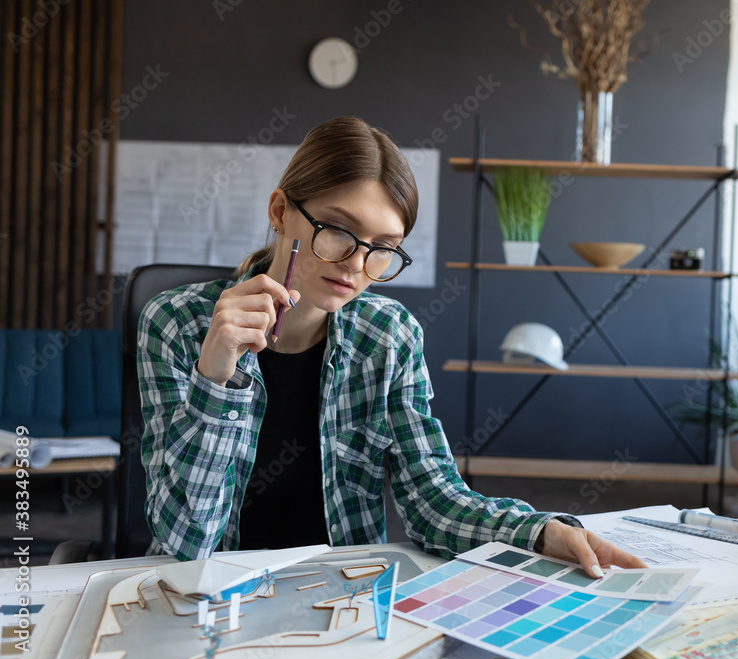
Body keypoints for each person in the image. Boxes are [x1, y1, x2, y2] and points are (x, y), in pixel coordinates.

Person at [138, 116, 644, 576]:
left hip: (343, 596)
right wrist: (216, 381)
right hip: (208, 599)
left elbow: (433, 501)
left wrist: (538, 532)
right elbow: (185, 546)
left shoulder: (388, 334)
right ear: (280, 211)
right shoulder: (175, 322)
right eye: (338, 231)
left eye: (382, 248)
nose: (356, 265)